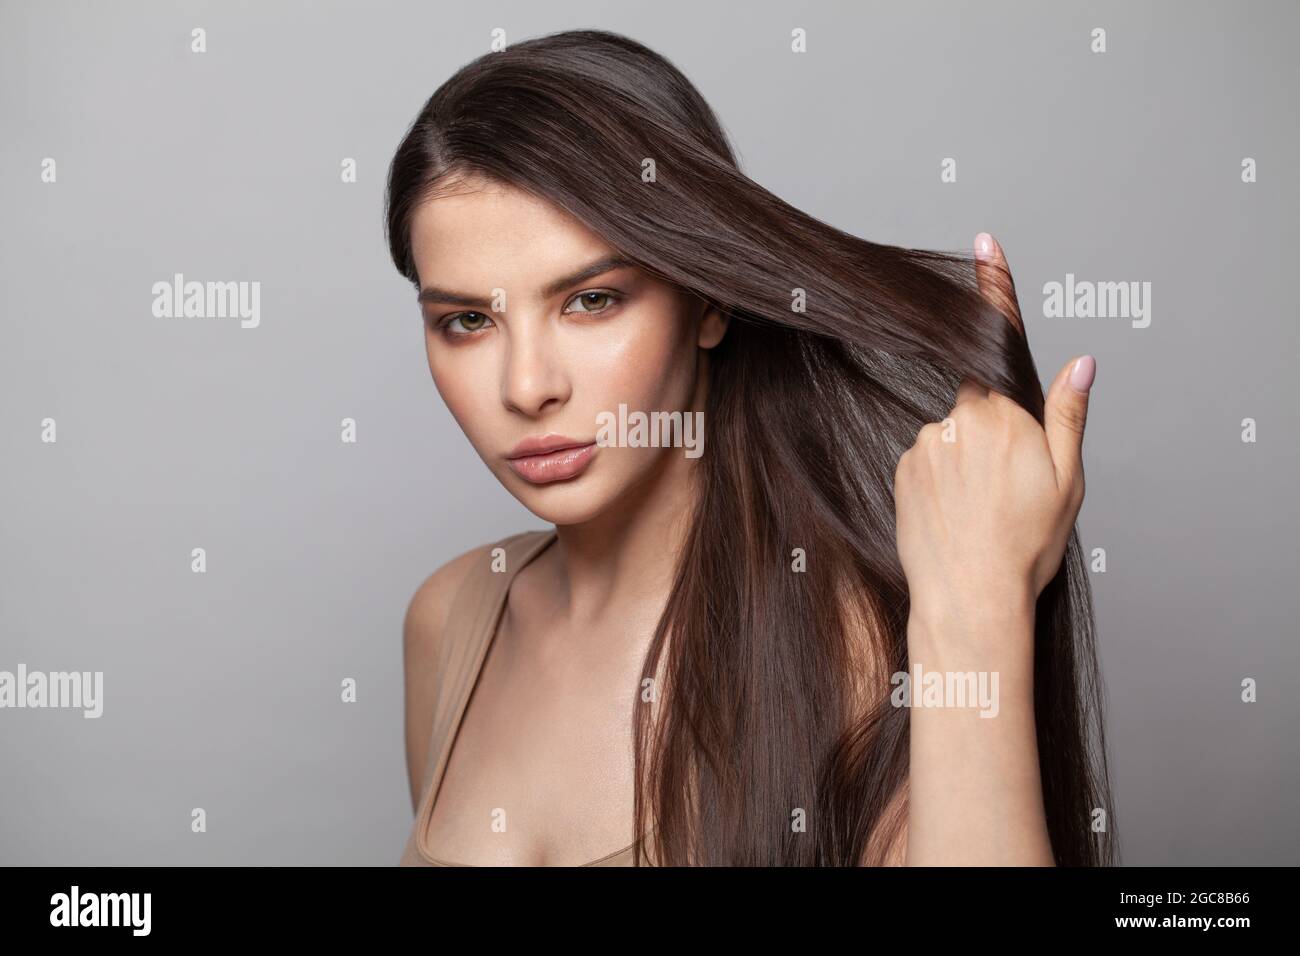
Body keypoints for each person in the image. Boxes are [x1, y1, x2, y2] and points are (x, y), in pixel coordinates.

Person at [386, 28, 1115, 867]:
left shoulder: (864, 649)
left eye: (591, 300)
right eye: (467, 321)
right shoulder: (450, 621)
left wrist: (978, 603)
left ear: (707, 300)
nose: (526, 386)